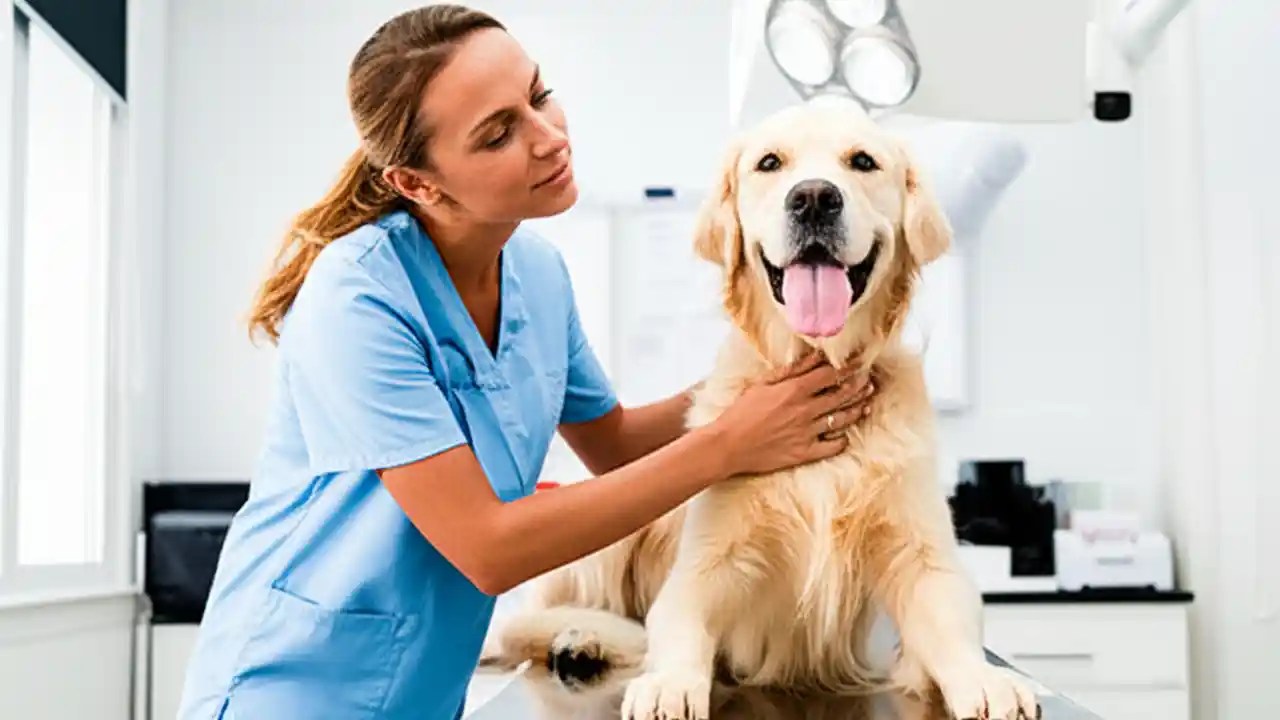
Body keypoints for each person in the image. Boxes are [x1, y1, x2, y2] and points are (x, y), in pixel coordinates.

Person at [176, 5, 874, 719]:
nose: (548, 137)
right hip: (289, 691)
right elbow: (489, 548)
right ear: (417, 183)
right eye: (498, 134)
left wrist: (756, 383)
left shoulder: (537, 273)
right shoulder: (355, 297)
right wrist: (730, 443)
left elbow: (617, 445)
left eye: (538, 95)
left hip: (422, 694)